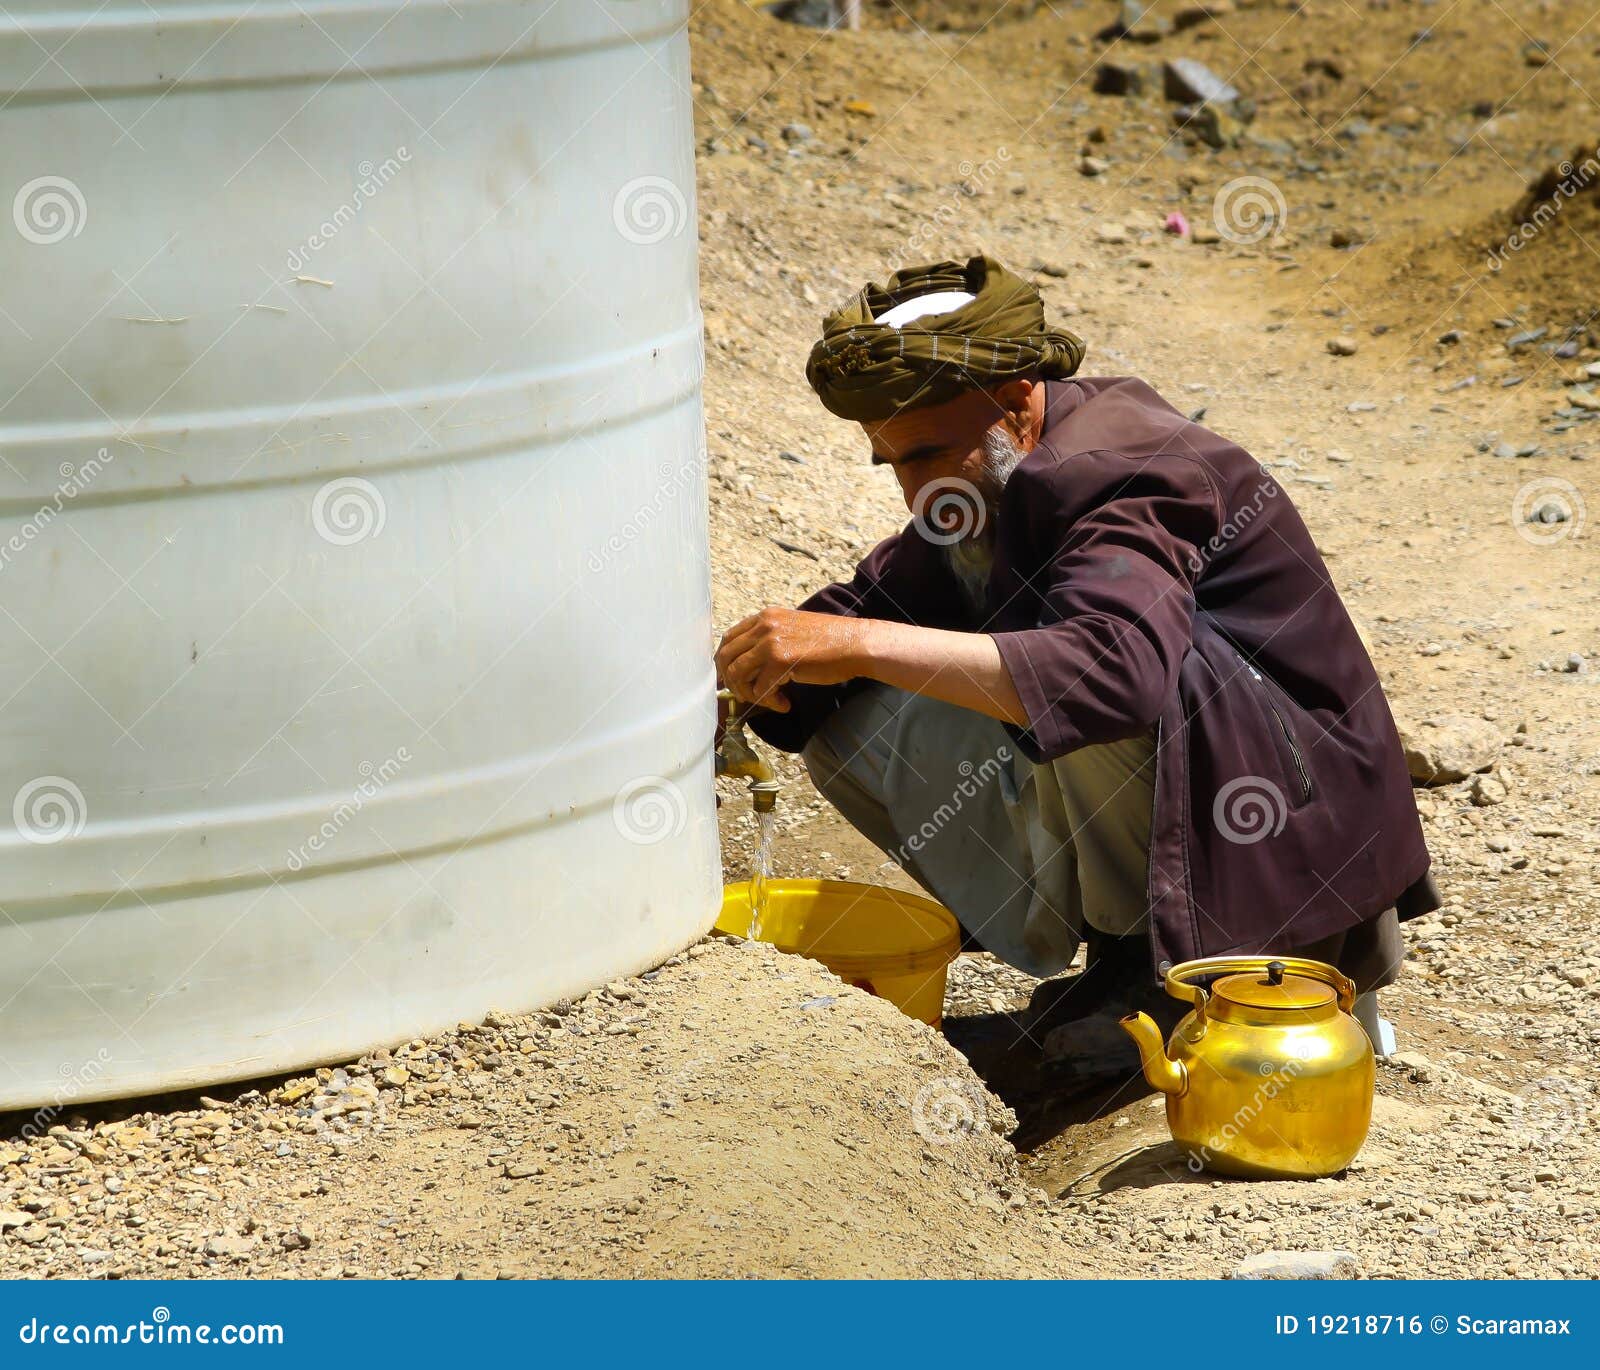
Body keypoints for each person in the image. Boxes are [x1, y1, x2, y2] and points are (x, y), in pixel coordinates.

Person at [713, 254, 1436, 1046]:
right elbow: (884, 597)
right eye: (893, 463)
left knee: (1091, 677)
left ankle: (1169, 975)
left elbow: (1115, 676)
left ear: (1017, 397)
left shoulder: (1123, 474)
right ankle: (1117, 948)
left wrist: (857, 644)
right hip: (1204, 812)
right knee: (851, 712)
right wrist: (757, 677)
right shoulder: (993, 469)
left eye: (924, 456)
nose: (913, 493)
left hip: (1282, 847)